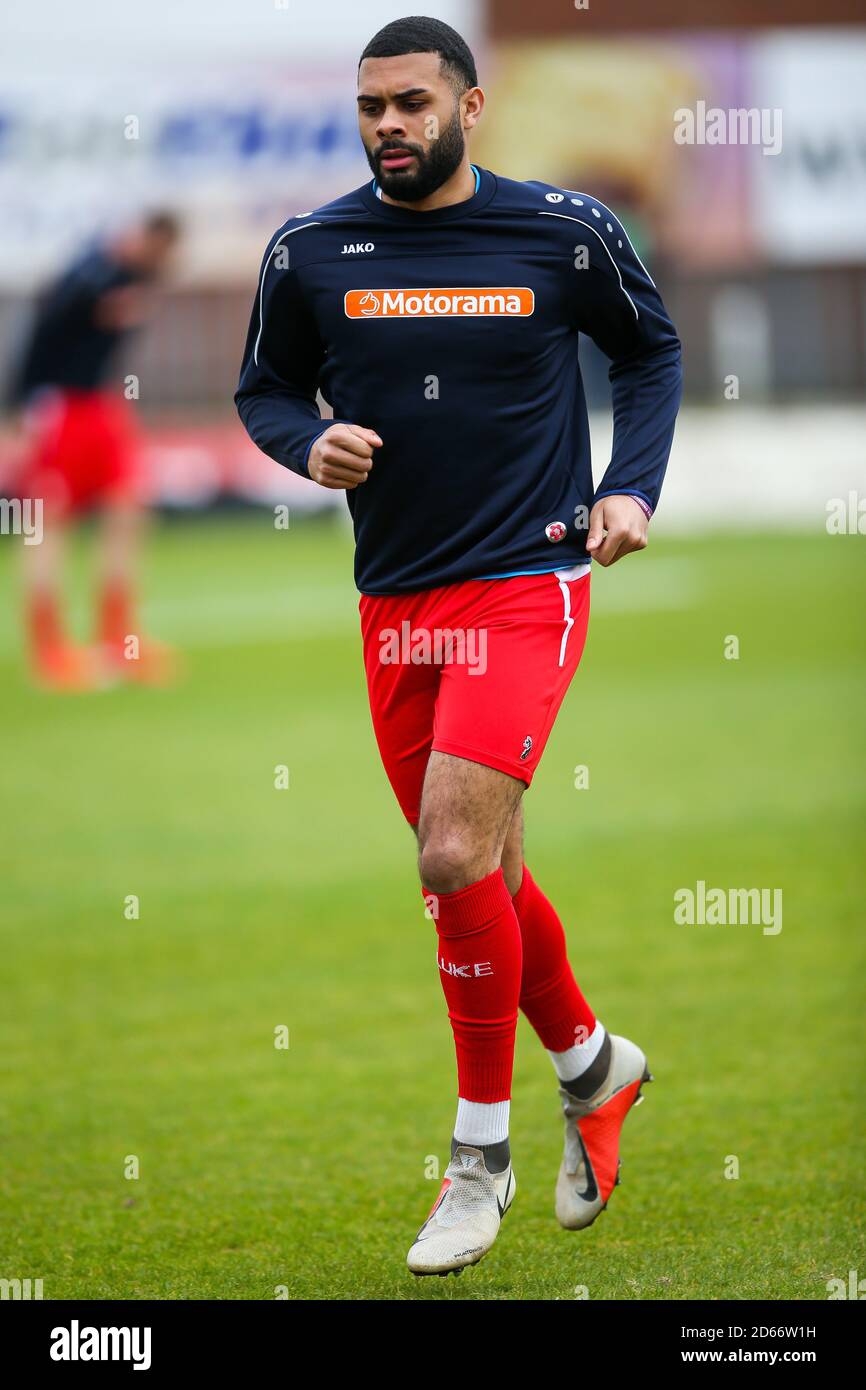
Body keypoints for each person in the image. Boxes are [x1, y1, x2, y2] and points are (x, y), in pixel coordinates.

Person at [235, 15, 681, 1276]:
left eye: (412, 103)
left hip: (524, 583)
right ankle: (596, 1066)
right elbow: (264, 386)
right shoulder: (309, 250)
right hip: (393, 602)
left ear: (469, 109)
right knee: (482, 873)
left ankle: (474, 1162)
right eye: (371, 105)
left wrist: (628, 487)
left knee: (445, 854)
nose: (389, 125)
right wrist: (299, 444)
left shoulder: (563, 230)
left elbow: (648, 351)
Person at [8, 211, 181, 689]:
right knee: (49, 524)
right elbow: (42, 335)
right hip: (58, 408)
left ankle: (118, 640)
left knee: (129, 511)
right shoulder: (88, 274)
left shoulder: (137, 277)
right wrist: (19, 410)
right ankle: (49, 651)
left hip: (102, 407)